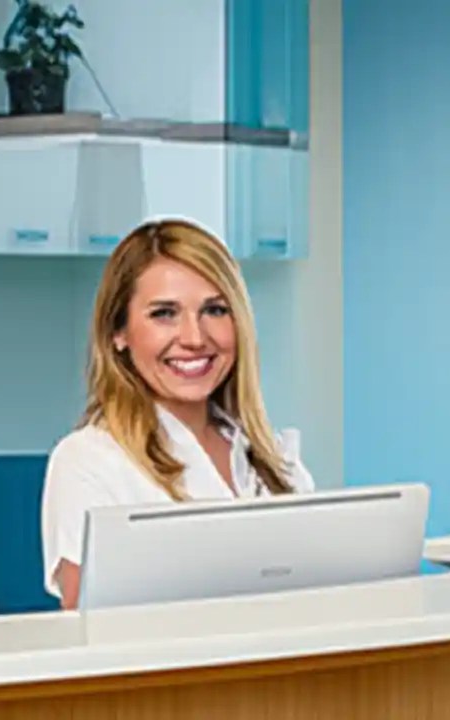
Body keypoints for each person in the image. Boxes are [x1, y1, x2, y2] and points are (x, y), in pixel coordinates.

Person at [40, 218, 313, 610]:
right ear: (118, 332)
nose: (194, 338)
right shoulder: (90, 460)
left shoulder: (270, 456)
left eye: (215, 310)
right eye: (164, 313)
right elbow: (92, 638)